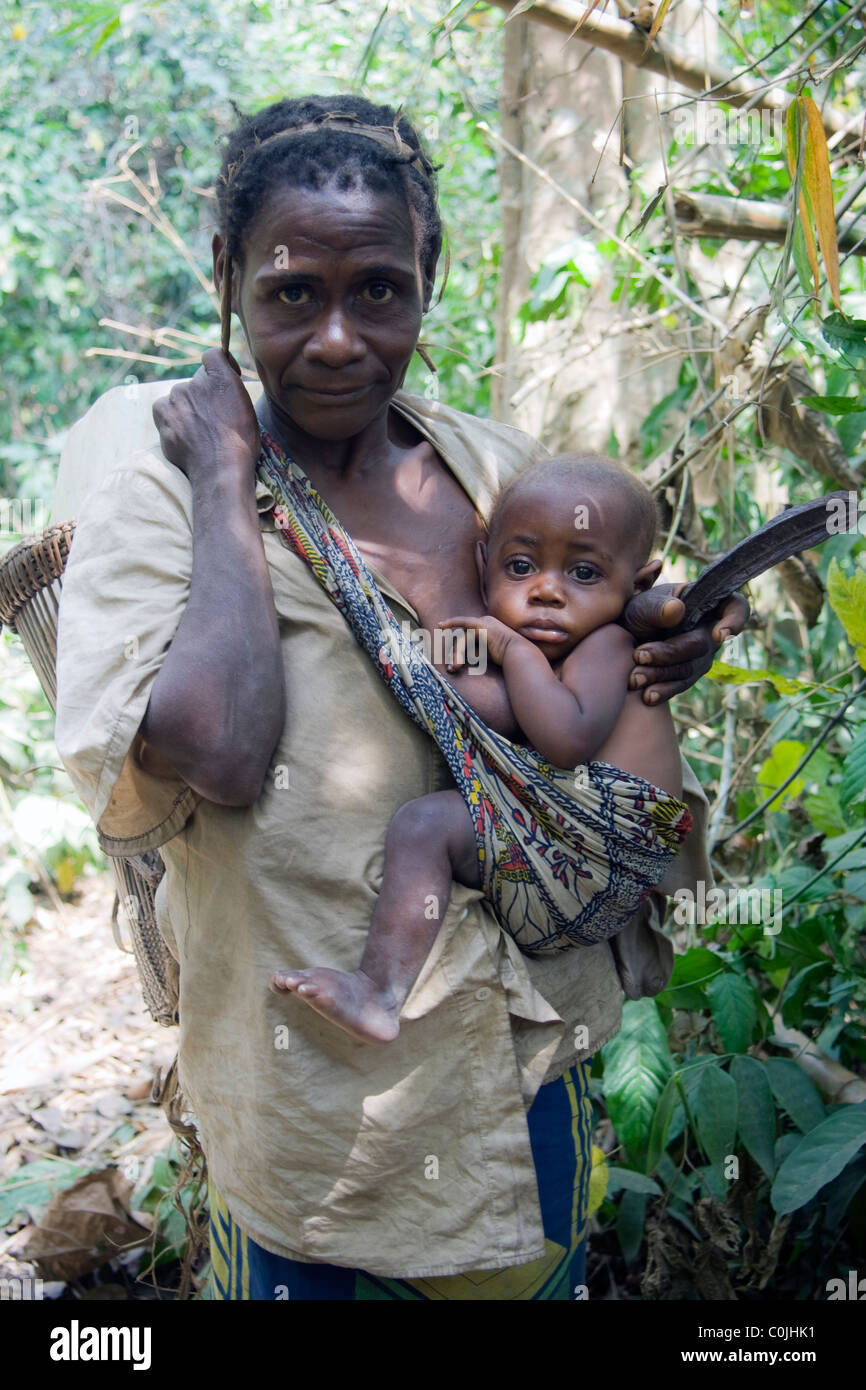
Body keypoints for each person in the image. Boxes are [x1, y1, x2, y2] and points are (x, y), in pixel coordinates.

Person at [54, 94, 747, 1300]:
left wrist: (661, 636)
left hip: (514, 1059)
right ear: (227, 277)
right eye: (289, 294)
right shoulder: (161, 484)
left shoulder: (489, 466)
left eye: (377, 289)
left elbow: (585, 629)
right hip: (310, 1099)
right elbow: (214, 751)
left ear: (429, 274)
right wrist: (228, 478)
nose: (335, 339)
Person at [272, 453, 691, 1045]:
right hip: (552, 864)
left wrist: (509, 649)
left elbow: (565, 741)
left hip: (598, 850)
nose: (546, 591)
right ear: (482, 562)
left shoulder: (610, 645)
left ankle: (380, 991)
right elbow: (498, 718)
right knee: (432, 823)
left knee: (424, 826)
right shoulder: (558, 652)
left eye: (586, 574)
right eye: (521, 566)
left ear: (638, 585)